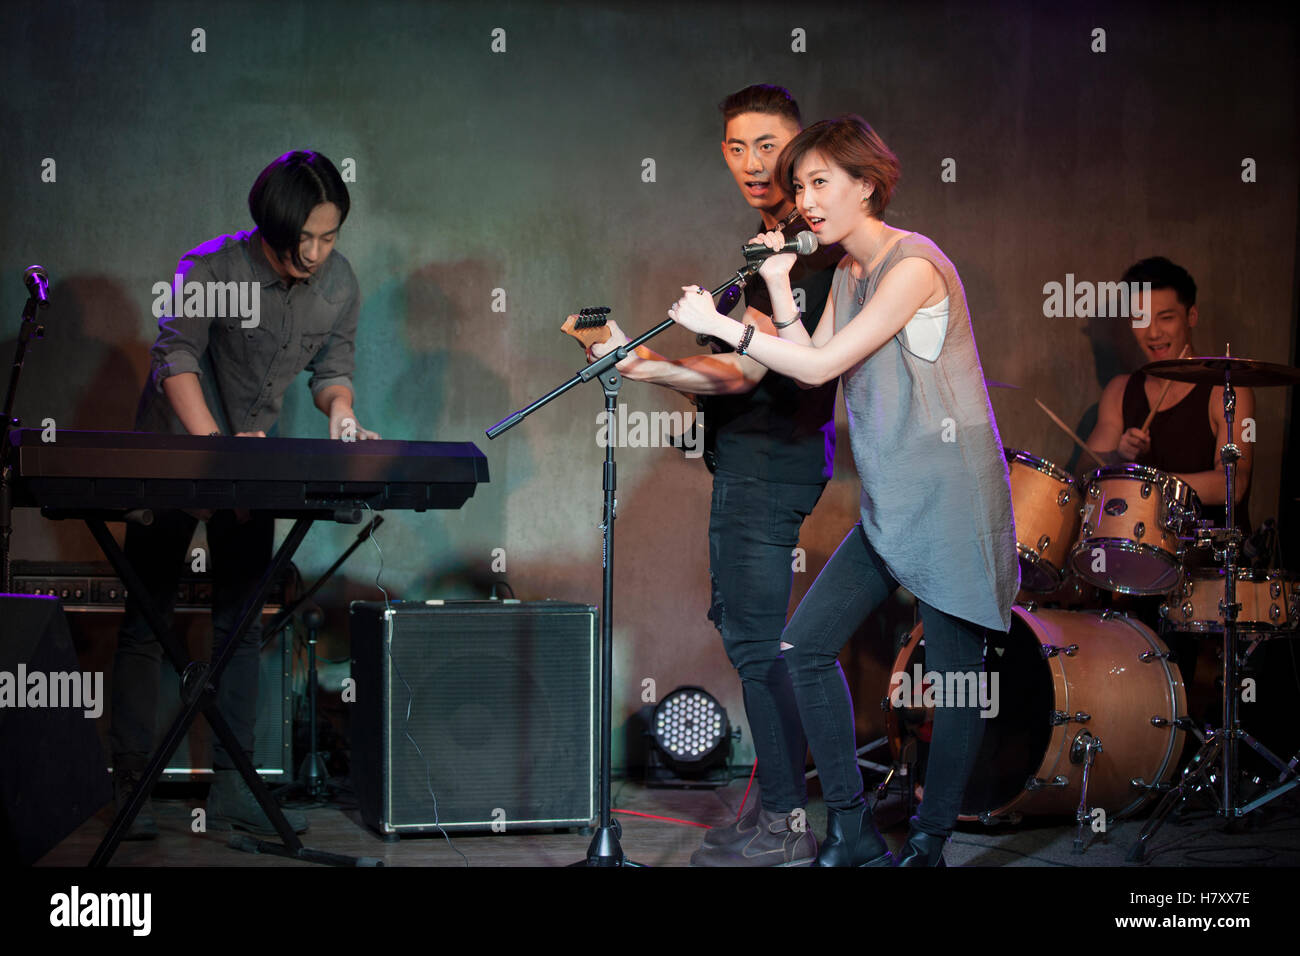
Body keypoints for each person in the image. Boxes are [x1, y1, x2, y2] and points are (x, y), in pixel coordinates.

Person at [670, 115, 1019, 866]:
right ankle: (853, 830)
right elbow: (811, 355)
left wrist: (723, 329)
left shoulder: (912, 267)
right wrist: (770, 282)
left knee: (956, 685)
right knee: (802, 649)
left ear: (867, 183)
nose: (806, 199)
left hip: (951, 499)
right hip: (893, 503)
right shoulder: (853, 273)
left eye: (820, 182)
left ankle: (928, 845)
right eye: (800, 187)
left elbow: (823, 370)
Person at [589, 85, 842, 866]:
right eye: (735, 147)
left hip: (773, 460)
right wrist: (643, 363)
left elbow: (741, 374)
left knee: (760, 645)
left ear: (802, 149)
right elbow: (733, 367)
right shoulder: (768, 245)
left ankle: (783, 825)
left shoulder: (811, 252)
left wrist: (647, 365)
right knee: (748, 636)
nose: (752, 163)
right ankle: (772, 811)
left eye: (768, 145)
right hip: (748, 460)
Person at [112, 150, 379, 839]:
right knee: (147, 623)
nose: (317, 252)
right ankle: (130, 789)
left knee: (241, 626)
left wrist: (342, 413)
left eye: (330, 236)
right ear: (269, 225)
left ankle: (234, 795)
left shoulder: (339, 283)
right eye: (305, 239)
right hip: (175, 453)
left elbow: (333, 370)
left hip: (254, 462)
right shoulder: (209, 268)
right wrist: (217, 451)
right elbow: (174, 357)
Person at [1085, 256, 1253, 532]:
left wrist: (1146, 481)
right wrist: (1117, 455)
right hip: (1135, 556)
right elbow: (1086, 472)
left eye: (1166, 318)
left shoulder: (1228, 390)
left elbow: (1234, 485)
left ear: (1191, 316)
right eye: (1141, 319)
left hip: (1208, 562)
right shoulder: (1120, 389)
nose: (1153, 333)